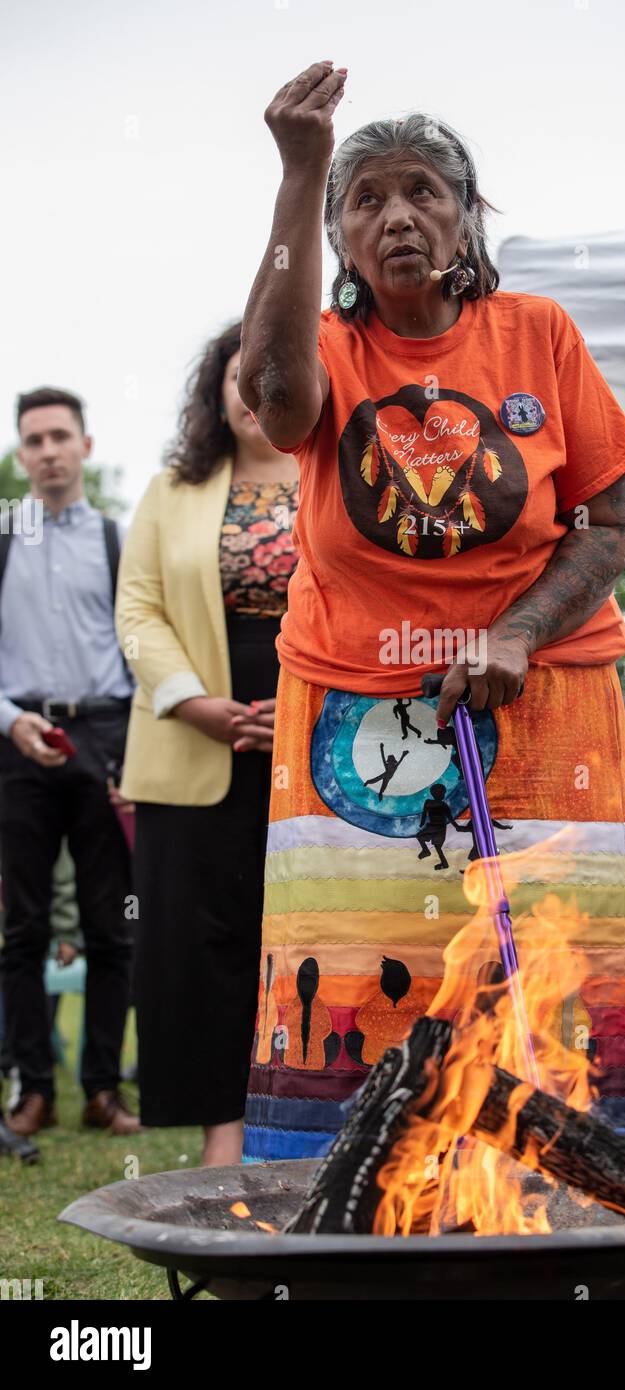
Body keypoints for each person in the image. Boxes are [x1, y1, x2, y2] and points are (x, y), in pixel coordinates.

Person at [237, 65, 625, 1160]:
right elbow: (274, 395)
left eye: (423, 190)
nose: (397, 216)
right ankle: (361, 1194)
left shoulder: (539, 333)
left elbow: (608, 523)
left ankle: (574, 1189)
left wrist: (517, 629)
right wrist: (297, 175)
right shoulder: (328, 348)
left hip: (548, 697)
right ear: (335, 240)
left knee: (553, 962)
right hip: (356, 711)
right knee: (354, 983)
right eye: (364, 199)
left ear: (465, 217)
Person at [115, 323, 299, 1166]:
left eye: (273, 374)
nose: (254, 390)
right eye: (239, 375)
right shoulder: (169, 490)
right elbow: (138, 612)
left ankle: (304, 1128)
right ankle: (224, 1134)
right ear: (216, 393)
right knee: (198, 944)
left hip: (319, 736)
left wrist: (299, 708)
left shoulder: (344, 480)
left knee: (304, 937)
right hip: (194, 741)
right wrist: (195, 704)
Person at [0, 387, 138, 1138]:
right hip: (17, 740)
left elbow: (139, 649)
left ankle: (103, 1092)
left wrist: (134, 753)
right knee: (22, 928)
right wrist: (8, 720)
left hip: (105, 739)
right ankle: (32, 1090)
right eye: (34, 440)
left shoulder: (118, 541)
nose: (48, 450)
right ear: (22, 456)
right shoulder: (1, 540)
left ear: (85, 446)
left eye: (60, 436)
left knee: (111, 925)